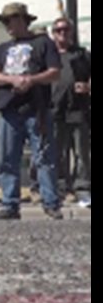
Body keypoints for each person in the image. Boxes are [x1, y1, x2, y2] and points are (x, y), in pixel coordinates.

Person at [0, 3, 63, 220]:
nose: (7, 25)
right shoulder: (2, 49)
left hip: (36, 109)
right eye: (4, 21)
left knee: (44, 158)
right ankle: (10, 204)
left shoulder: (43, 43)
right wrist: (13, 79)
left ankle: (50, 202)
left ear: (22, 19)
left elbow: (55, 72)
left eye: (9, 20)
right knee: (8, 159)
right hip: (10, 111)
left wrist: (31, 80)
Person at [48, 18, 91, 208]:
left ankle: (82, 189)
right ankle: (60, 189)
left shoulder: (82, 55)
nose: (62, 33)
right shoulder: (48, 55)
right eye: (58, 30)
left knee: (81, 152)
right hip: (54, 111)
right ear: (53, 33)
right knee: (57, 153)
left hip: (78, 110)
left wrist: (88, 86)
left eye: (66, 30)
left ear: (71, 32)